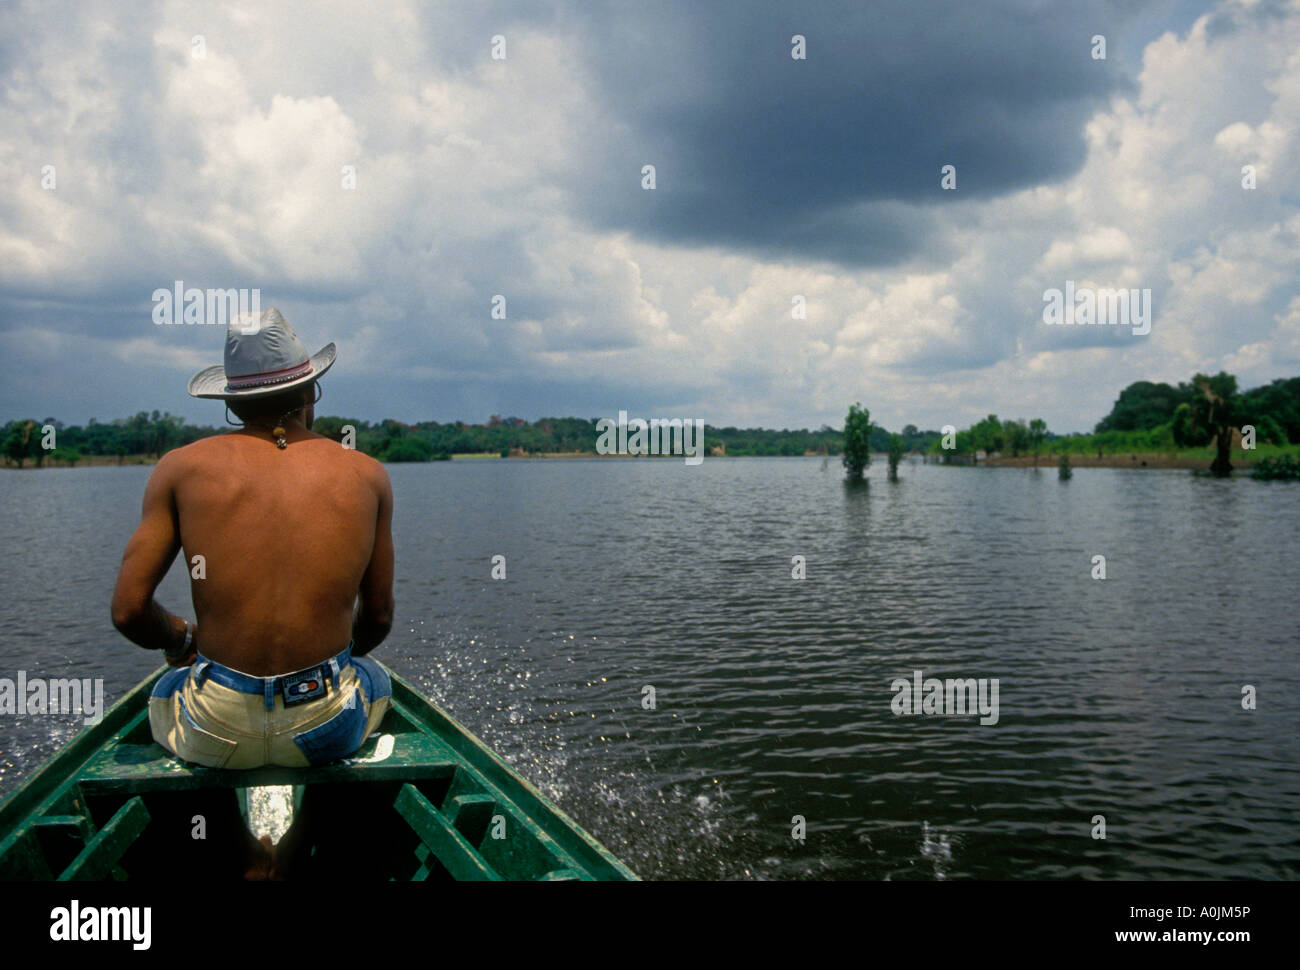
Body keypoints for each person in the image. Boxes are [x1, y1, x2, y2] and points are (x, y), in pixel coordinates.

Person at [110, 307, 395, 877]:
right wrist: (331, 658)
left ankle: (239, 852)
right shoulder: (366, 474)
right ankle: (299, 846)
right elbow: (378, 621)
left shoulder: (179, 469)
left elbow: (129, 612)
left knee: (169, 686)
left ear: (232, 404)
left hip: (216, 727)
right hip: (324, 728)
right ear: (311, 391)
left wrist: (183, 641)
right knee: (375, 680)